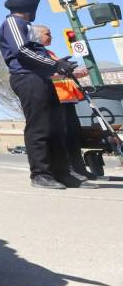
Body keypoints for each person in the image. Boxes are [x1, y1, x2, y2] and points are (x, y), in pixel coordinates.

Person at [0, 0, 94, 189]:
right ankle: (40, 174)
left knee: (56, 127)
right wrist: (55, 63)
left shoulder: (27, 28)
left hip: (44, 78)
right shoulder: (13, 23)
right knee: (39, 127)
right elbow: (22, 51)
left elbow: (38, 51)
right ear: (29, 9)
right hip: (27, 78)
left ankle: (62, 173)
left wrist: (59, 66)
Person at [32, 24, 97, 181]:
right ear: (36, 36)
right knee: (63, 136)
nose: (51, 37)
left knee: (73, 136)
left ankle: (79, 168)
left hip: (67, 98)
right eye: (48, 34)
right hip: (55, 98)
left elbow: (60, 72)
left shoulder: (50, 53)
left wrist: (75, 73)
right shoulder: (37, 55)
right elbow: (48, 74)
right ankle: (67, 169)